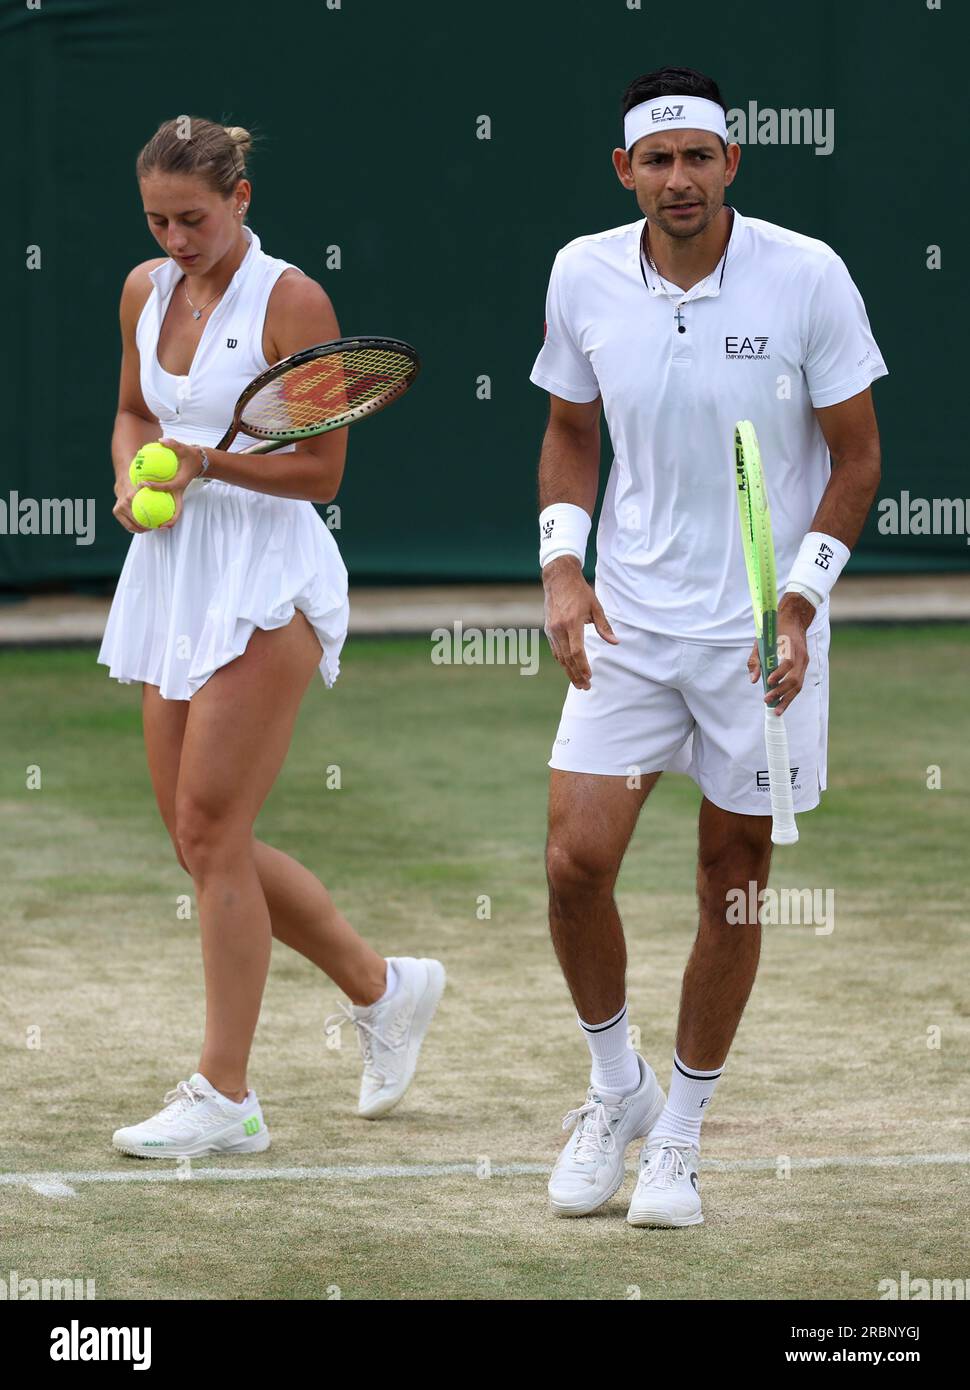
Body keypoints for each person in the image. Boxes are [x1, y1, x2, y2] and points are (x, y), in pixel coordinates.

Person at [530, 68, 885, 1226]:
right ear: (622, 171)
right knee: (575, 861)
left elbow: (857, 456)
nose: (676, 179)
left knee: (732, 882)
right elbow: (570, 431)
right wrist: (563, 569)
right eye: (655, 159)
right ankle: (613, 1086)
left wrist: (800, 603)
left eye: (697, 156)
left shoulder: (808, 275)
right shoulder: (581, 272)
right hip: (629, 623)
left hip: (758, 634)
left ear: (731, 162)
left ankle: (678, 1133)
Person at [99, 116, 444, 1158]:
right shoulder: (141, 291)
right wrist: (135, 476)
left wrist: (206, 463)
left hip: (267, 580)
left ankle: (227, 1093)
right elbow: (129, 410)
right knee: (205, 842)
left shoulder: (293, 299)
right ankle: (385, 990)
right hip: (171, 575)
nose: (175, 238)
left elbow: (322, 476)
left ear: (241, 199)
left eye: (193, 218)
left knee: (210, 829)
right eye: (158, 219)